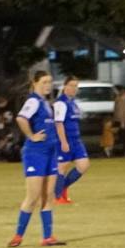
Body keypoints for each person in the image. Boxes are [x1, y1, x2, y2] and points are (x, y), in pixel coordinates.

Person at [8, 71, 64, 247]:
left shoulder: (46, 103)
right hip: (36, 153)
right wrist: (31, 136)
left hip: (50, 152)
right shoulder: (33, 101)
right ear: (35, 83)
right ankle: (18, 236)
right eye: (45, 82)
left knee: (49, 195)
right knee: (33, 197)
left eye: (50, 82)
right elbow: (21, 118)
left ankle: (47, 237)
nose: (48, 85)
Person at [53, 76, 90, 204]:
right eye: (71, 85)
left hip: (76, 140)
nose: (74, 88)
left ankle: (62, 188)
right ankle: (58, 197)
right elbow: (59, 123)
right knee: (62, 167)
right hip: (65, 139)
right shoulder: (60, 103)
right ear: (65, 86)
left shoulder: (72, 102)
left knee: (83, 165)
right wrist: (63, 141)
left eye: (76, 86)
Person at [112, 88, 125, 156]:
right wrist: (122, 122)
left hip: (122, 121)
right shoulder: (121, 102)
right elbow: (120, 112)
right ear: (124, 94)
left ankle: (123, 151)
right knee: (124, 137)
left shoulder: (121, 101)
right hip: (122, 122)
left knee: (121, 137)